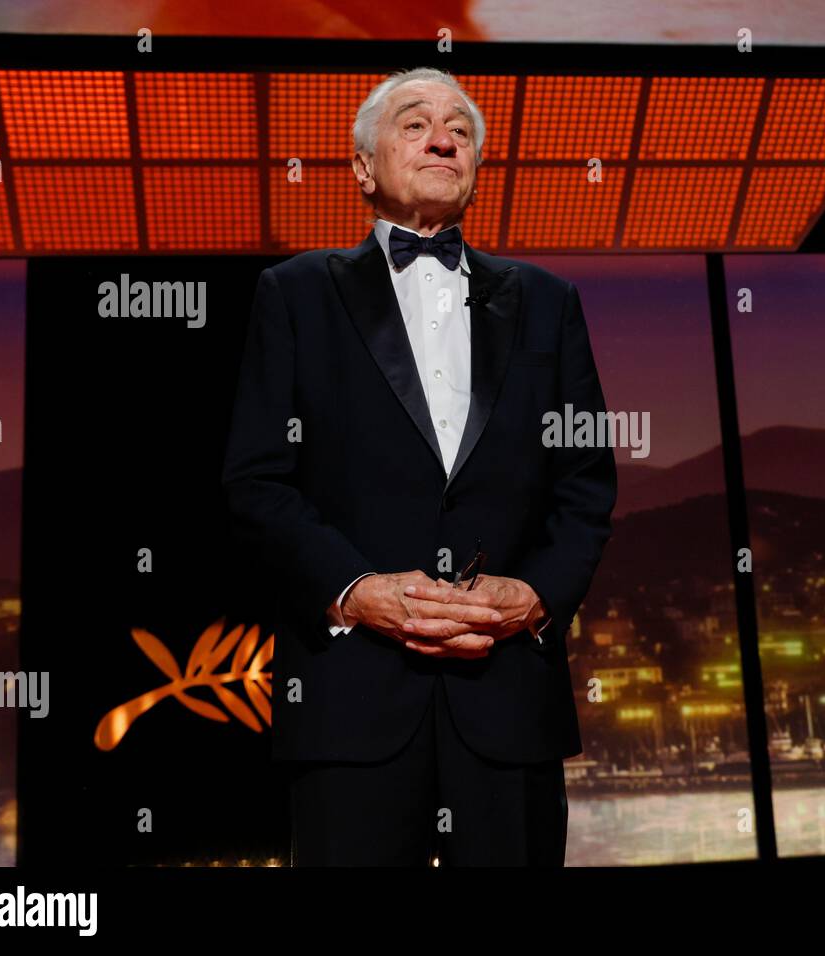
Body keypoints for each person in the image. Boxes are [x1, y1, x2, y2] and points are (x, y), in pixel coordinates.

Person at [221, 67, 617, 866]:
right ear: (363, 168)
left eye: (459, 130)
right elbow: (256, 481)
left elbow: (586, 486)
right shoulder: (293, 293)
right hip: (349, 701)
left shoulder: (549, 300)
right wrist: (358, 593)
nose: (442, 137)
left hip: (508, 705)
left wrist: (534, 598)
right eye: (414, 123)